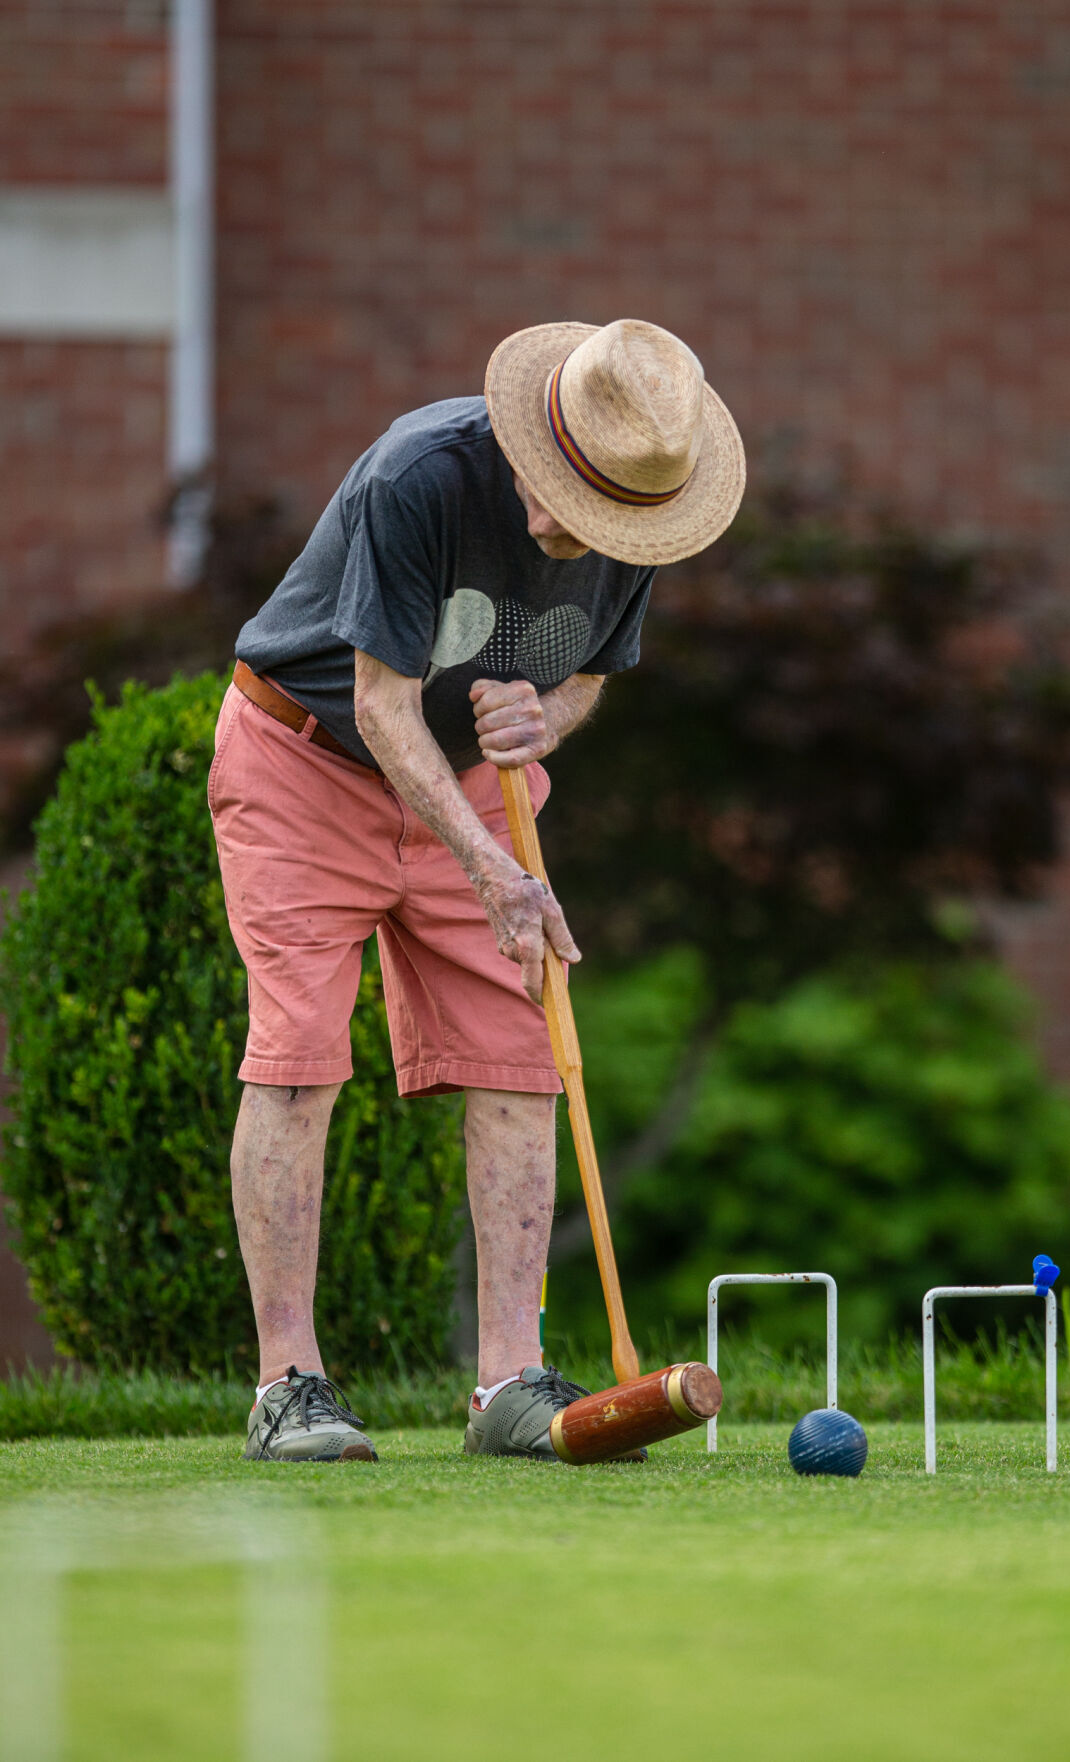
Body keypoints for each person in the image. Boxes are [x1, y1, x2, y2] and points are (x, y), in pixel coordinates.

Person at [209, 318, 745, 1462]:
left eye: (597, 514)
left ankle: (508, 1381)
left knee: (521, 1052)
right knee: (299, 1051)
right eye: (559, 496)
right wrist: (493, 868)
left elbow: (591, 671)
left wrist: (542, 717)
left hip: (469, 785)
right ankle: (286, 1385)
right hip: (306, 758)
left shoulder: (641, 514)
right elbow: (383, 705)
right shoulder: (420, 475)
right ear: (529, 438)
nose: (564, 530)